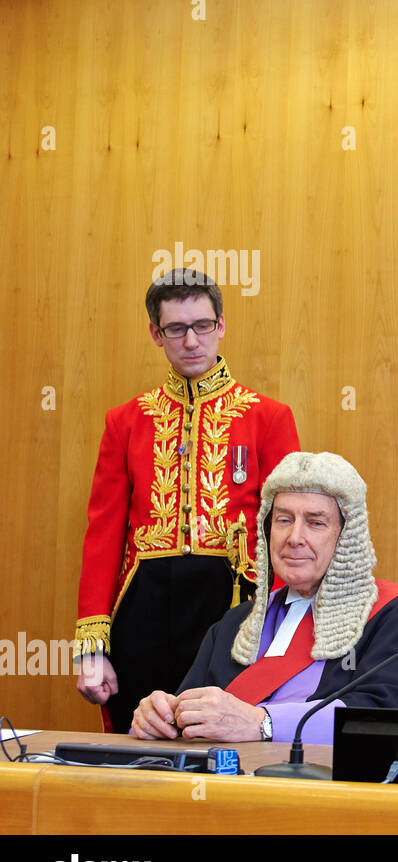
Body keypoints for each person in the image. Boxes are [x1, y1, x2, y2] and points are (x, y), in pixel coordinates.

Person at [75, 269, 300, 732]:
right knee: (141, 745)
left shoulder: (269, 418)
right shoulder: (126, 422)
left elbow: (290, 528)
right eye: (176, 328)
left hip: (235, 604)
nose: (192, 340)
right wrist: (92, 648)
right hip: (144, 606)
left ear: (221, 325)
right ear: (157, 334)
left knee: (225, 747)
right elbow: (103, 535)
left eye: (202, 325)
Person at [131, 451, 398, 744]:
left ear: (347, 536)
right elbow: (188, 711)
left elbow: (387, 723)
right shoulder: (235, 624)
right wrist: (157, 719)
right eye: (284, 520)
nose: (294, 538)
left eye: (315, 523)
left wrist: (263, 724)